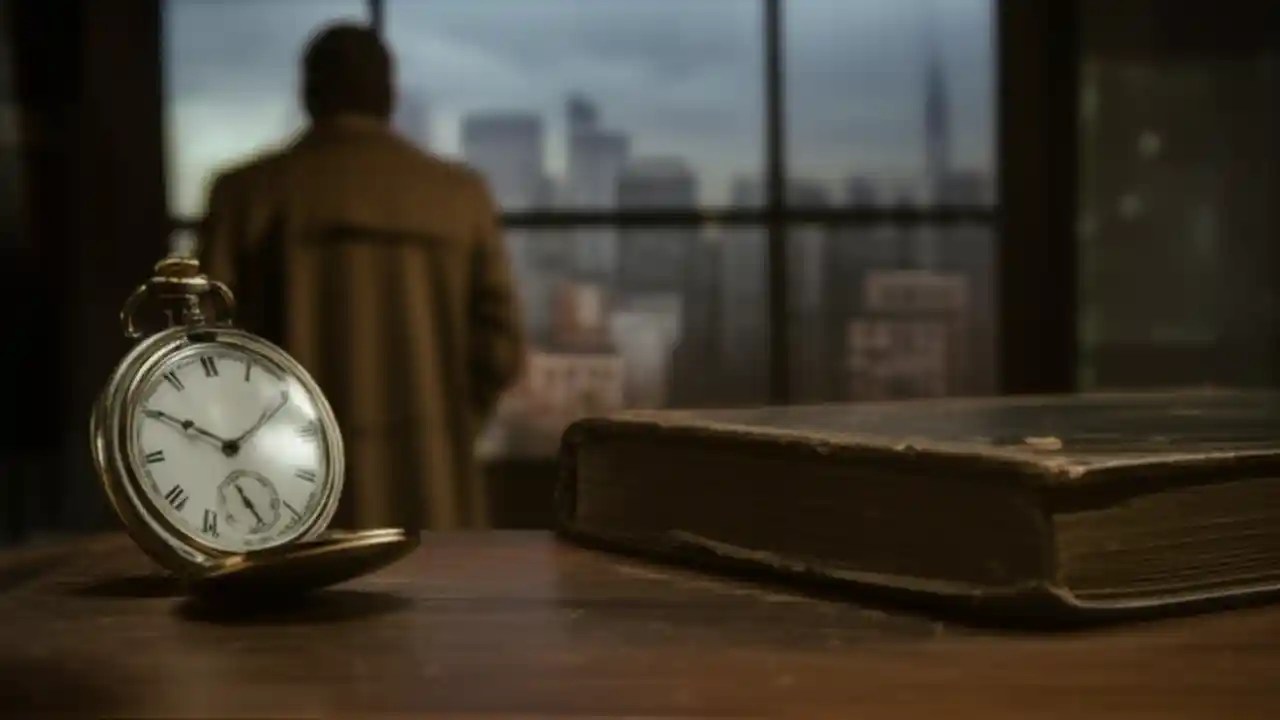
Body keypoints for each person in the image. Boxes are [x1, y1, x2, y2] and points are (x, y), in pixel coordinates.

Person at [199, 24, 525, 531]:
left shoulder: (246, 195)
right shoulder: (459, 196)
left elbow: (209, 355)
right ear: (389, 95)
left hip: (285, 488)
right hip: (430, 483)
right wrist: (445, 424)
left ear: (308, 93)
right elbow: (501, 349)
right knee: (434, 602)